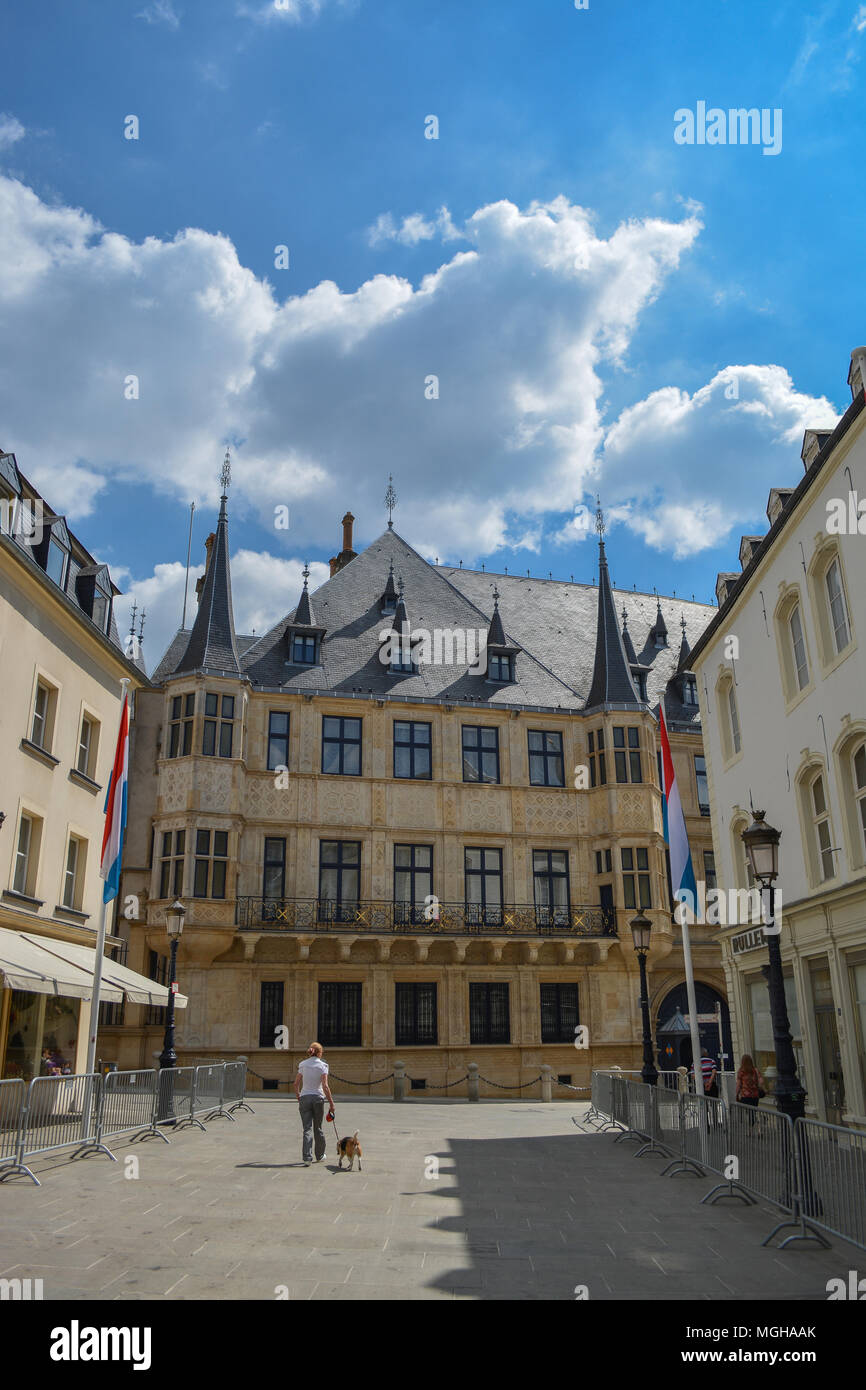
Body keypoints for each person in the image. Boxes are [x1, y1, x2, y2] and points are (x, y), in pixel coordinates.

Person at [293, 1042, 334, 1167]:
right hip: (317, 1098)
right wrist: (331, 1103)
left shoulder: (303, 1064)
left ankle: (307, 1158)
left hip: (305, 1098)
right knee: (318, 1128)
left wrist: (298, 1095)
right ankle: (320, 1155)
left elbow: (296, 1083)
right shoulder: (323, 1065)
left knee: (307, 1129)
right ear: (320, 1053)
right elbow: (325, 1086)